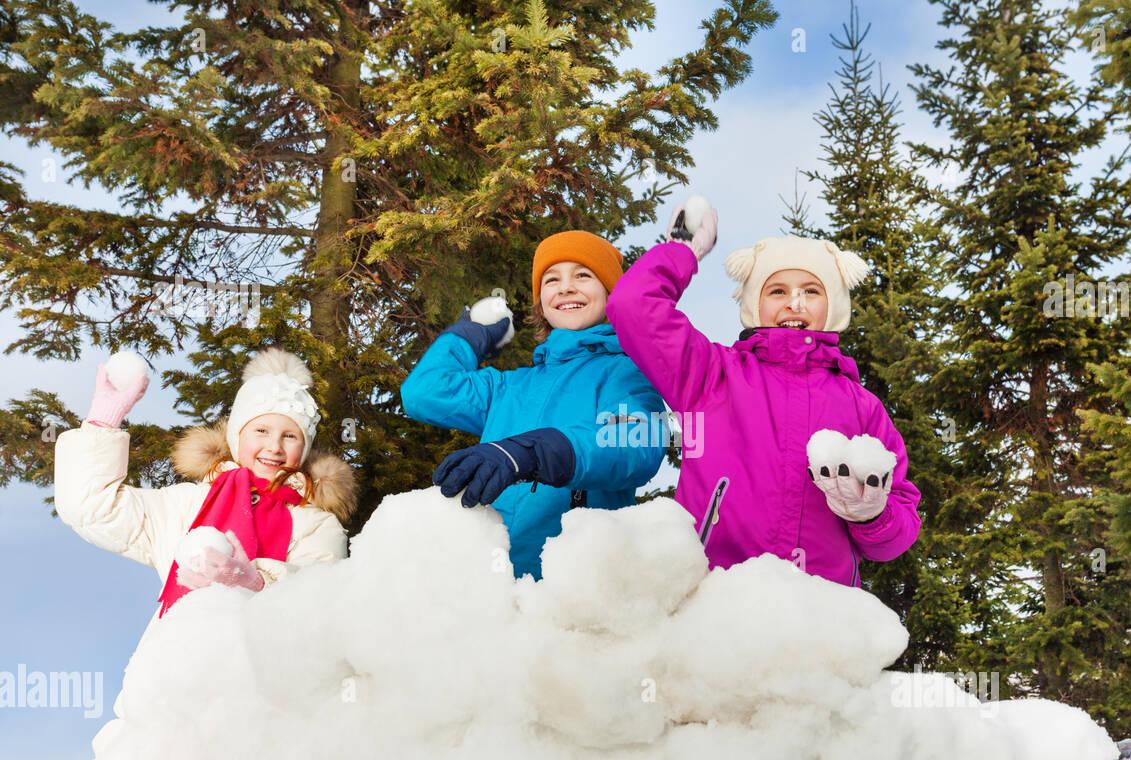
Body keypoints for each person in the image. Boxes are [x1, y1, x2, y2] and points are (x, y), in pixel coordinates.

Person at [605, 205, 921, 587]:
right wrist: (682, 250)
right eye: (777, 291)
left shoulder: (862, 407)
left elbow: (895, 539)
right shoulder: (711, 375)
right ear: (755, 303)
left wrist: (871, 512)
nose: (795, 303)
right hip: (714, 602)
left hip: (823, 616)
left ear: (832, 305)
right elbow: (633, 305)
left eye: (811, 291)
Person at [400, 230, 666, 579]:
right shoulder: (510, 386)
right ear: (540, 302)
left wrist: (535, 451)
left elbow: (636, 443)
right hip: (492, 585)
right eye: (552, 279)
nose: (566, 287)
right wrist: (472, 334)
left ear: (611, 293)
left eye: (583, 275)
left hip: (572, 584)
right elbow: (424, 391)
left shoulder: (626, 371)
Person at [54, 348, 357, 621]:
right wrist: (102, 422)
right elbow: (91, 508)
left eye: (290, 436)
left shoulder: (317, 523)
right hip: (182, 669)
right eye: (261, 430)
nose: (274, 446)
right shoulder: (186, 505)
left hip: (270, 675)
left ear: (304, 448)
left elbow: (323, 598)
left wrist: (257, 581)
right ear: (238, 436)